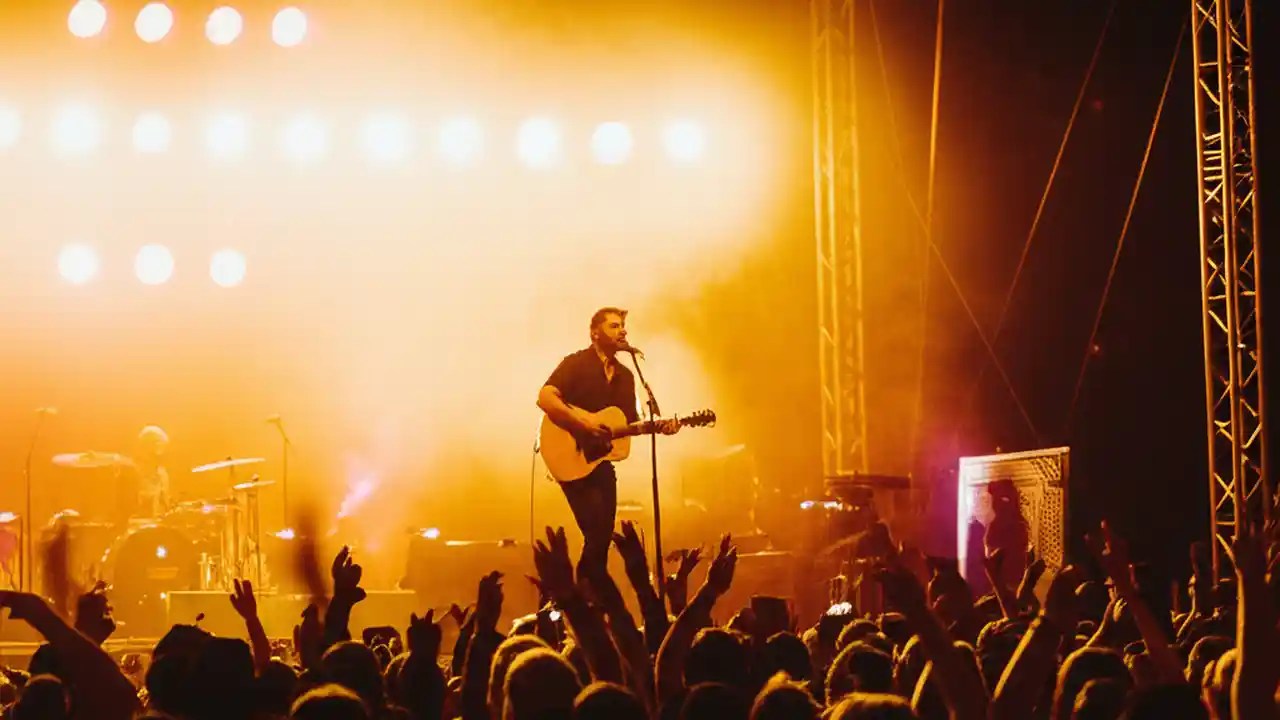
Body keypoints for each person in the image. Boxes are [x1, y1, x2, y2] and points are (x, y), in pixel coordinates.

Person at [537, 307, 679, 580]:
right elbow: (545, 397)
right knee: (597, 533)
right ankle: (581, 599)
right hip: (570, 455)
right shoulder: (576, 363)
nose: (622, 331)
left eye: (623, 326)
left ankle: (590, 598)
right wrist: (582, 426)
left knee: (602, 536)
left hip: (599, 461)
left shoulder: (626, 376)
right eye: (614, 326)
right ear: (595, 333)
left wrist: (659, 426)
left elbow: (626, 424)